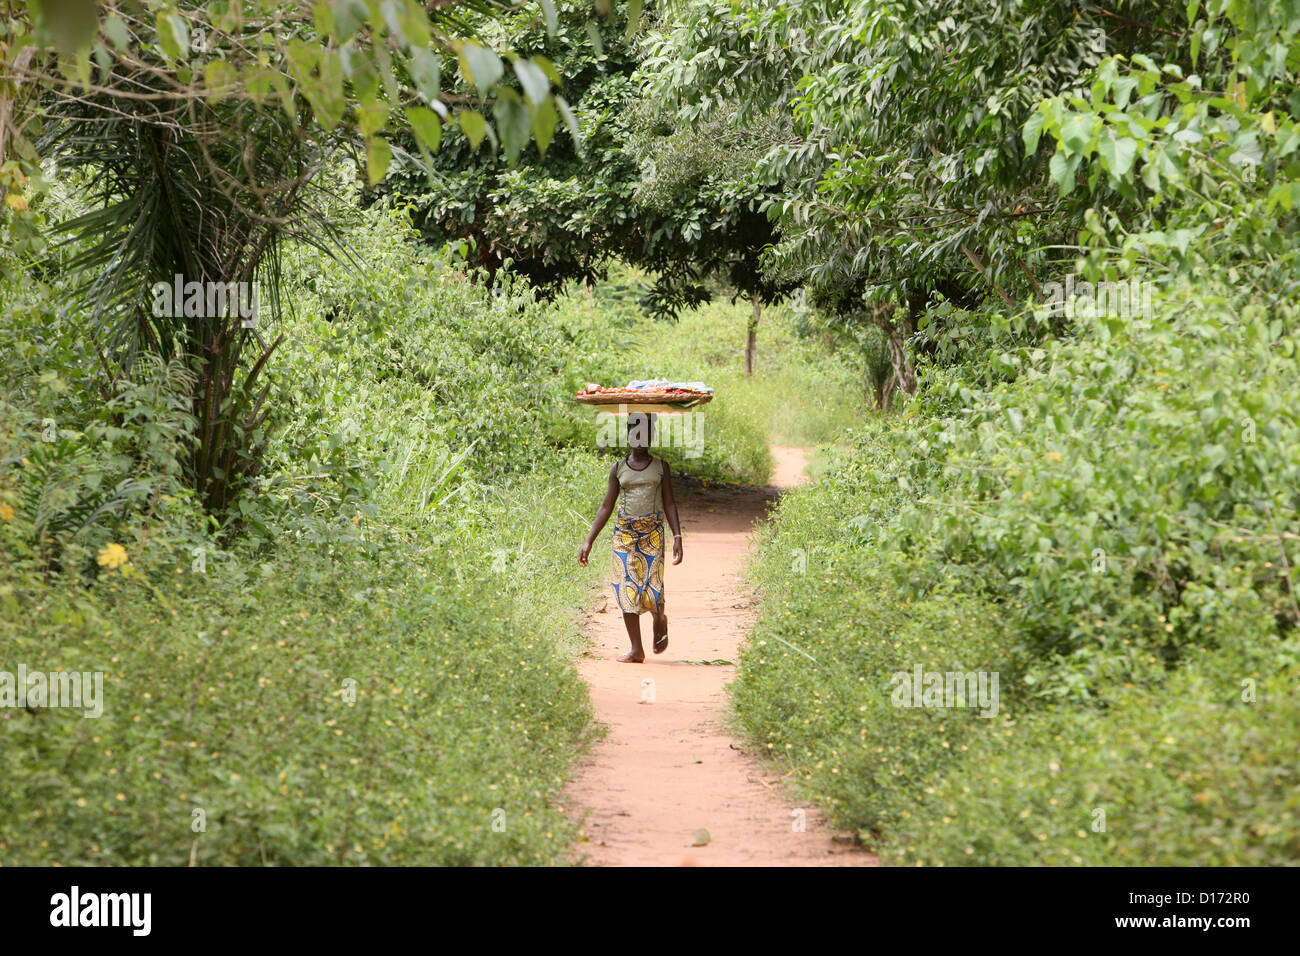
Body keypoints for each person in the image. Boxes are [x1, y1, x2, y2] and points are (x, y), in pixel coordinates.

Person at [578, 412, 683, 662]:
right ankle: (637, 649)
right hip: (624, 536)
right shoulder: (618, 468)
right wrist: (589, 540)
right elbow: (606, 506)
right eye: (635, 433)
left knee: (653, 592)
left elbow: (669, 502)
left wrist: (677, 534)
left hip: (652, 535)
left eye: (645, 434)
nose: (639, 439)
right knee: (626, 589)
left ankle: (659, 618)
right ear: (628, 436)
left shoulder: (660, 467)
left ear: (651, 437)